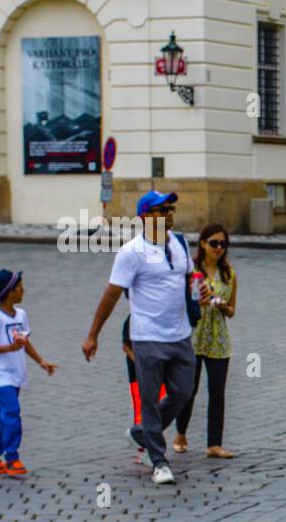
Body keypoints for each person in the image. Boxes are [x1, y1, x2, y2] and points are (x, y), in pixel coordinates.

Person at [81, 191, 208, 485]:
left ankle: (141, 433)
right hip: (147, 336)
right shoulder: (131, 252)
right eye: (161, 210)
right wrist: (92, 335)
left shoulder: (178, 243)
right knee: (149, 399)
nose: (168, 215)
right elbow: (112, 294)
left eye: (170, 209)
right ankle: (159, 460)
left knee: (183, 391)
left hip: (180, 334)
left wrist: (198, 292)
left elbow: (189, 277)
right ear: (144, 217)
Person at [0, 269, 56, 476]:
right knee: (12, 413)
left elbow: (24, 342)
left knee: (3, 416)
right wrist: (8, 349)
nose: (24, 291)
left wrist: (41, 361)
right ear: (10, 293)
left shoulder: (21, 315)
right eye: (20, 287)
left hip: (16, 372)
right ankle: (12, 457)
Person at [174, 224, 237, 459]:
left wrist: (223, 306)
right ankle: (180, 433)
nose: (218, 248)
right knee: (188, 389)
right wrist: (197, 303)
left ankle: (214, 444)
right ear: (202, 243)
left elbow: (232, 311)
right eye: (214, 243)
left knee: (217, 392)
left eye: (223, 244)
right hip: (193, 336)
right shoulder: (191, 269)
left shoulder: (229, 274)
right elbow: (179, 301)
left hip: (218, 340)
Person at [122, 314, 166, 461]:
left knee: (159, 408)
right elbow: (125, 346)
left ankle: (155, 444)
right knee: (140, 410)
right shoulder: (132, 319)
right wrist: (138, 360)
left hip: (158, 372)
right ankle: (141, 447)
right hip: (137, 373)